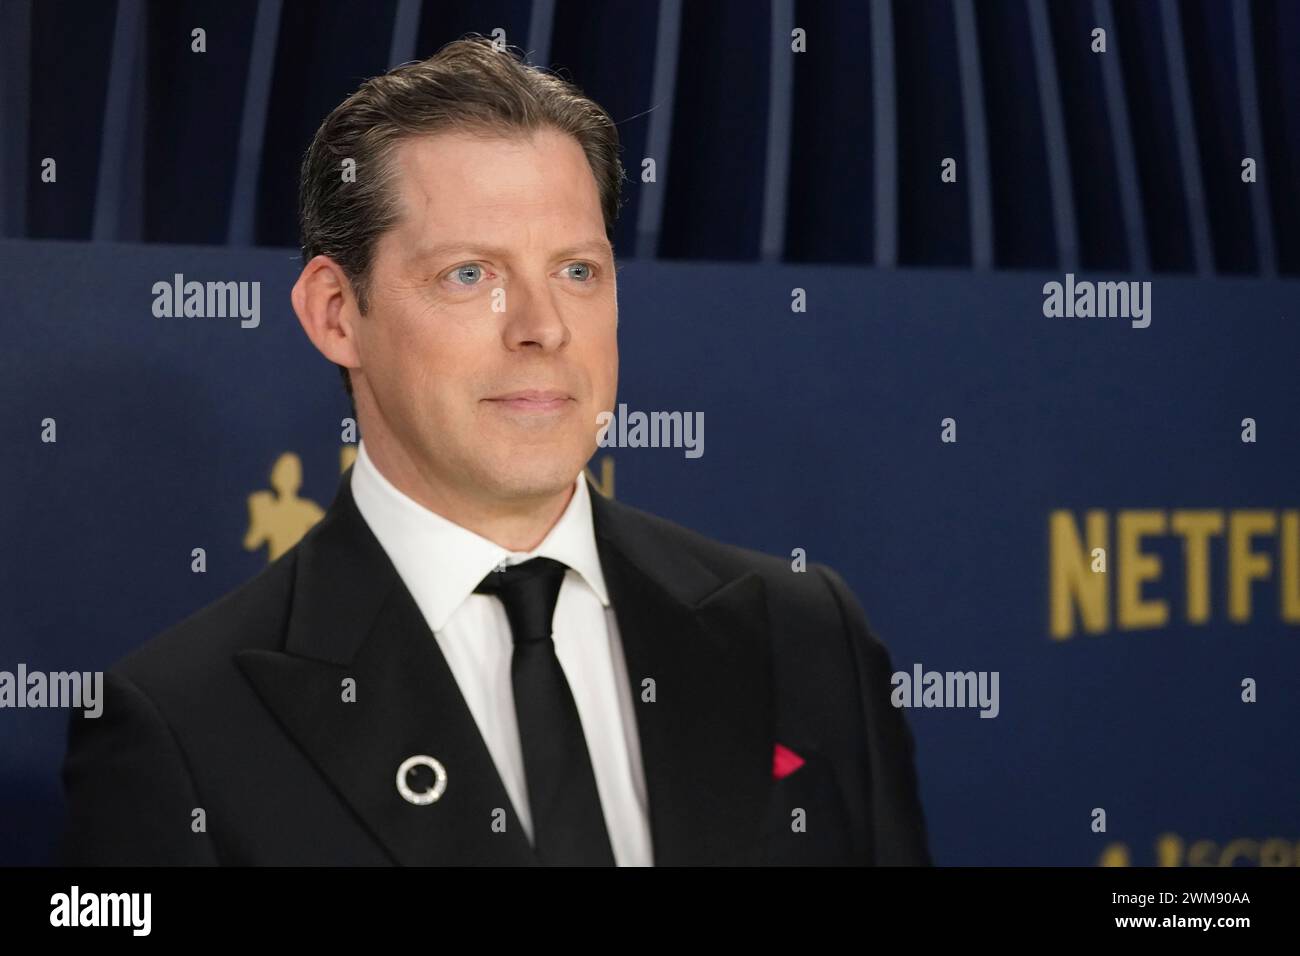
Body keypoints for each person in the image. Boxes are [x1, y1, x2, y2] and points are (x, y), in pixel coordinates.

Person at [57, 36, 930, 866]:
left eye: (577, 271)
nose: (543, 328)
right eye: (469, 274)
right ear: (334, 313)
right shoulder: (182, 727)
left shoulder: (807, 638)